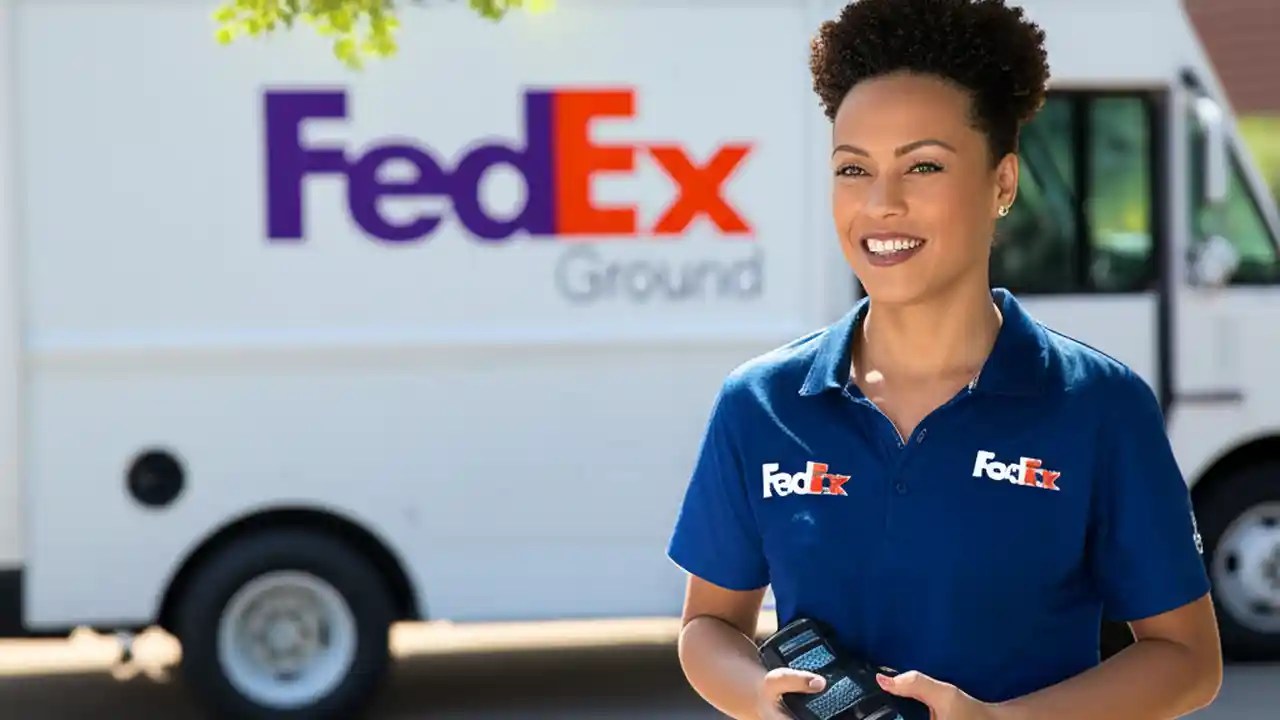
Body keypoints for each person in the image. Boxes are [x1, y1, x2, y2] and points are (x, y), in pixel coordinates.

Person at [664, 1, 1224, 718]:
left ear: (1003, 183)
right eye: (852, 169)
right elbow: (708, 627)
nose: (881, 204)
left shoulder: (1101, 406)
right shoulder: (760, 404)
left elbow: (1187, 659)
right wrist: (759, 696)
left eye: (922, 165)